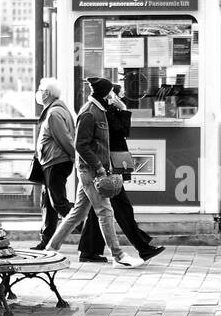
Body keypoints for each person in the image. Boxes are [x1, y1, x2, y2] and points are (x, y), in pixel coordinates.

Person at [45, 77, 141, 267]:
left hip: (90, 170)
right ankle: (118, 256)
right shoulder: (90, 113)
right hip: (91, 171)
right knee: (105, 211)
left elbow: (120, 130)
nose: (113, 94)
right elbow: (81, 144)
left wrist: (121, 108)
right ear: (105, 93)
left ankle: (51, 249)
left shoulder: (100, 109)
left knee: (78, 213)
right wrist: (98, 166)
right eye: (111, 91)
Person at [77, 85, 165, 263]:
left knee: (98, 210)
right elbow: (121, 130)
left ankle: (88, 250)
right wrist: (123, 109)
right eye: (118, 93)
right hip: (107, 167)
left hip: (108, 166)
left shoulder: (107, 110)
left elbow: (123, 132)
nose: (122, 95)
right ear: (111, 95)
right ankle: (143, 247)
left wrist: (121, 109)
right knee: (122, 208)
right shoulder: (103, 112)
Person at [33, 77, 76, 250]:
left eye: (41, 91)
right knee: (48, 203)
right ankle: (46, 241)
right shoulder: (56, 110)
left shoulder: (54, 113)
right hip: (51, 162)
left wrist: (75, 156)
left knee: (58, 202)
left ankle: (85, 226)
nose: (38, 94)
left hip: (55, 162)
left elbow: (65, 139)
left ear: (47, 94)